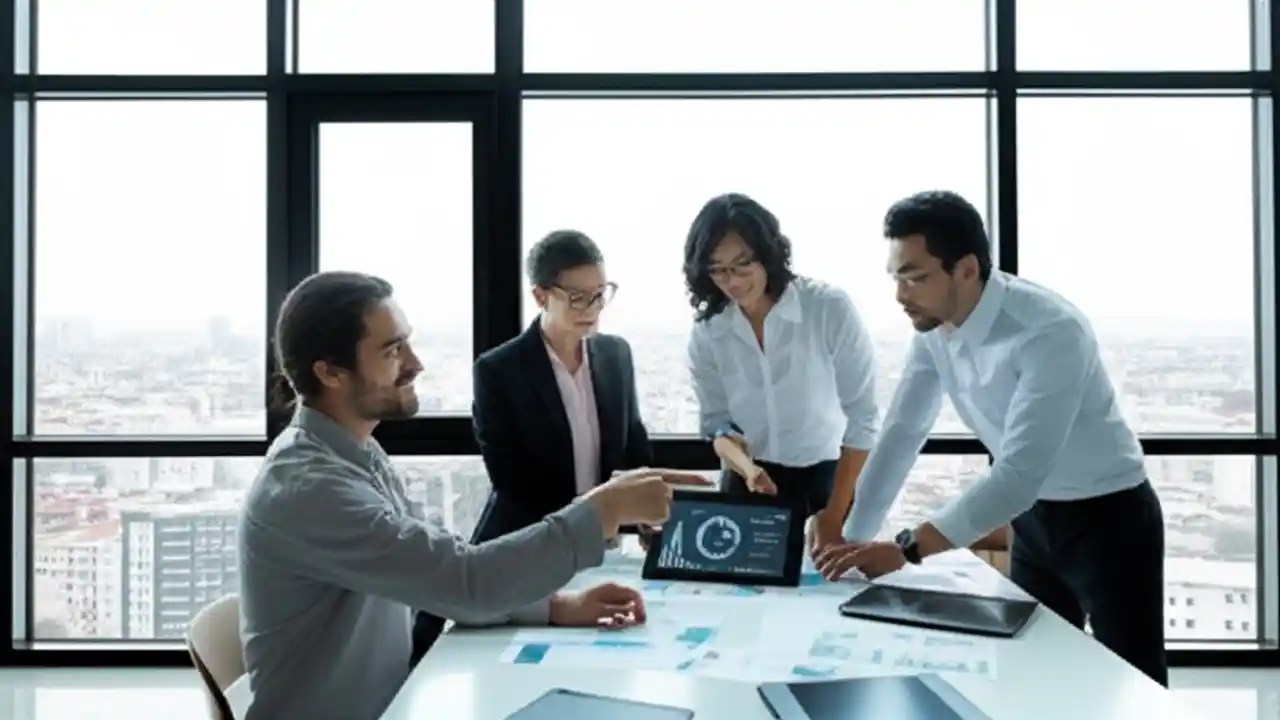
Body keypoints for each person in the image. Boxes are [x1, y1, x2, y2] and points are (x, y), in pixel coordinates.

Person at [238, 271, 699, 720]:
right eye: (393, 350)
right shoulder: (312, 490)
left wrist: (555, 606)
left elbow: (435, 577)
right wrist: (604, 509)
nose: (415, 363)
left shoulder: (354, 453)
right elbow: (466, 581)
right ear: (330, 373)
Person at [815, 190, 1167, 687]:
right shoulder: (933, 331)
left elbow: (1017, 476)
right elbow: (902, 432)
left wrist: (905, 549)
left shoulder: (1048, 331)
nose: (900, 295)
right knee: (1034, 673)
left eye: (915, 277)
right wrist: (852, 541)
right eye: (896, 277)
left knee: (1134, 685)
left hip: (1108, 520)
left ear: (966, 269)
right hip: (1034, 522)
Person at [469, 229, 697, 542]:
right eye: (577, 298)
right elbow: (513, 485)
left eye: (599, 294)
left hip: (605, 541)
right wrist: (590, 521)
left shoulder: (616, 355)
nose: (592, 308)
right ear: (541, 296)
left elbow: (633, 449)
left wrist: (646, 515)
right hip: (528, 544)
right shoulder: (499, 370)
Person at [684, 192, 879, 553]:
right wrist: (747, 468)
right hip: (750, 480)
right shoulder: (709, 330)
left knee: (828, 596)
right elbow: (717, 425)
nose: (733, 281)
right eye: (718, 269)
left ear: (769, 254)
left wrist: (834, 515)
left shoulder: (827, 307)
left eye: (743, 264)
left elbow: (864, 418)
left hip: (830, 482)